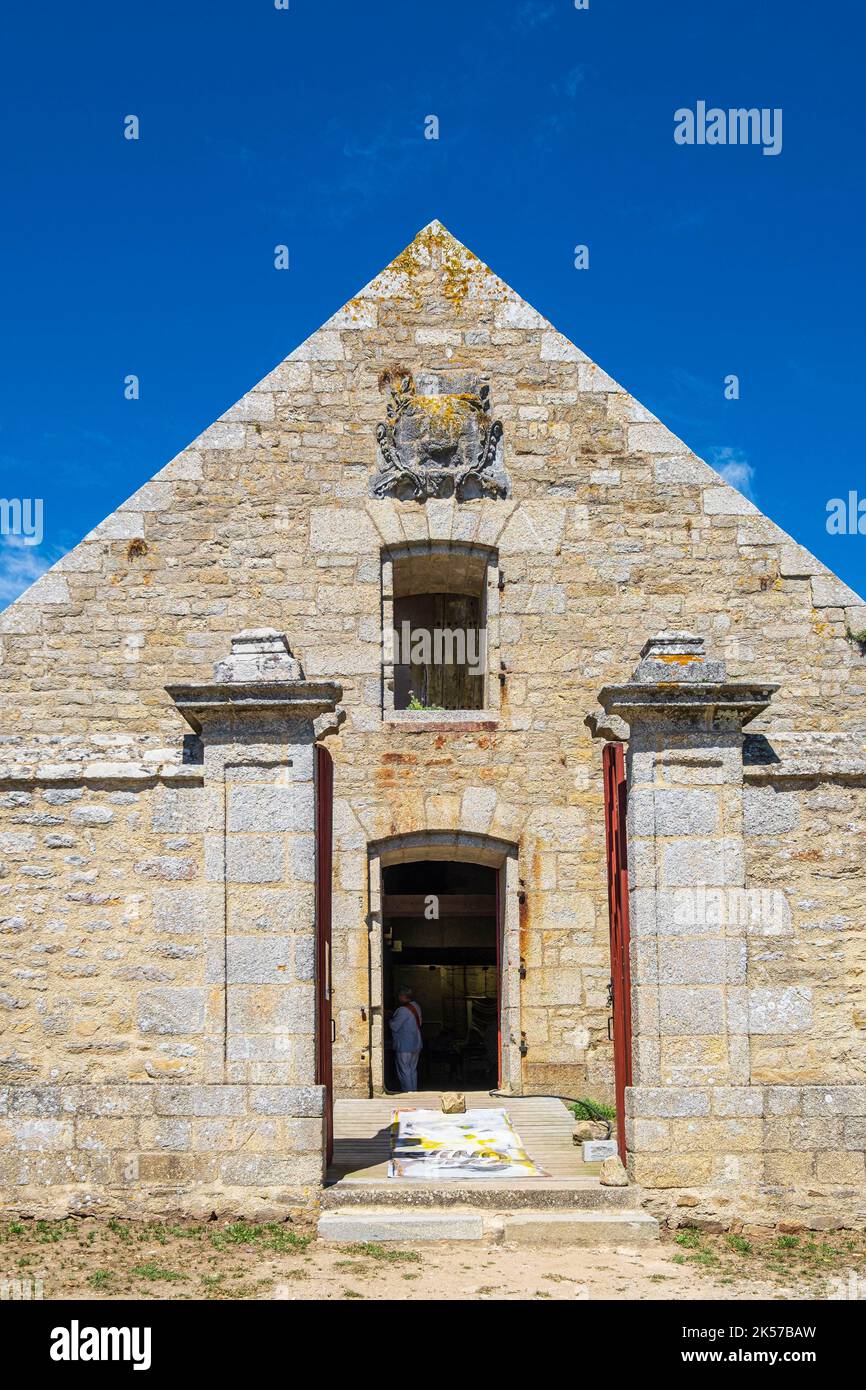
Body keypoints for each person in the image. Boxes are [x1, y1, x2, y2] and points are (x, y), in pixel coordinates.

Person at [388, 987, 423, 1092]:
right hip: (416, 1043)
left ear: (403, 997)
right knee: (412, 1069)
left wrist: (389, 1018)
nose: (398, 997)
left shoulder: (402, 1010)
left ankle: (408, 1092)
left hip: (404, 1045)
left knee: (404, 1070)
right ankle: (413, 1091)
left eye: (399, 995)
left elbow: (394, 1026)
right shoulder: (416, 1006)